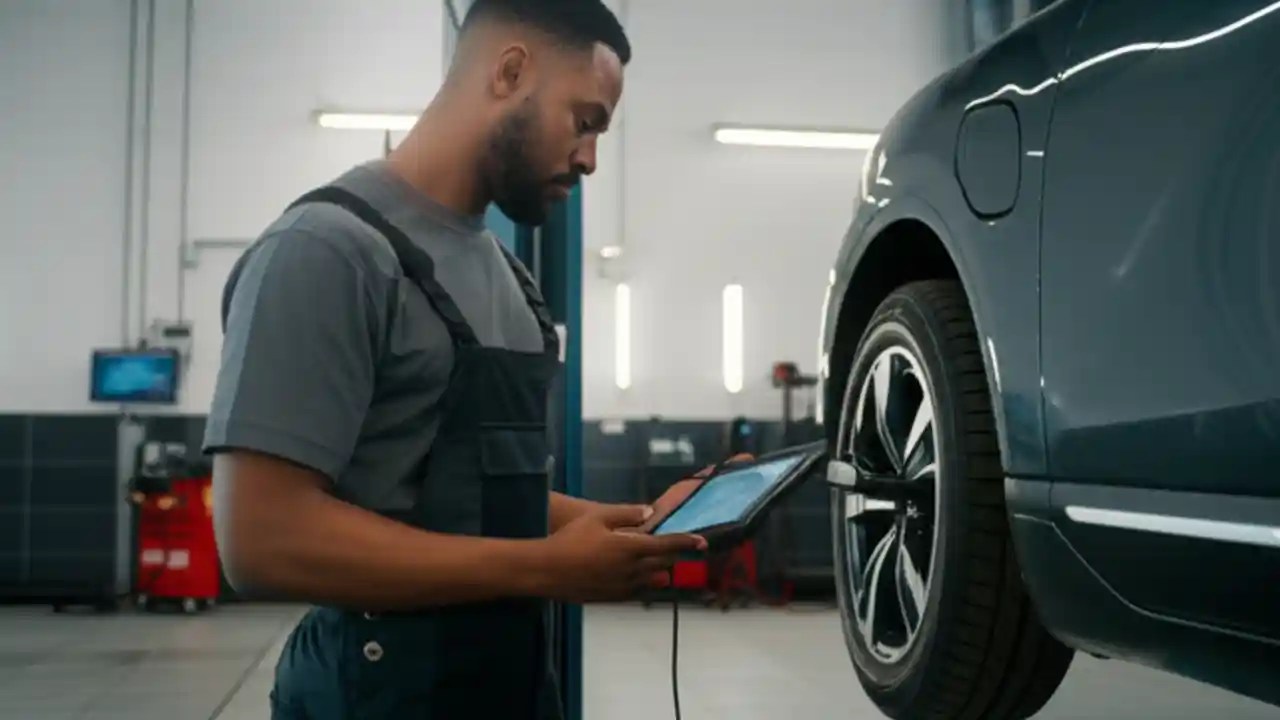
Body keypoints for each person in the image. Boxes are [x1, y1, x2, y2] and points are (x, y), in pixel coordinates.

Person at [203, 1, 713, 717]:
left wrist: (637, 522)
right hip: (374, 694)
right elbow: (260, 541)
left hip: (507, 687)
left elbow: (472, 497)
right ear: (510, 72)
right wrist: (542, 569)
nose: (590, 159)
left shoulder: (509, 275)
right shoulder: (327, 251)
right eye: (584, 121)